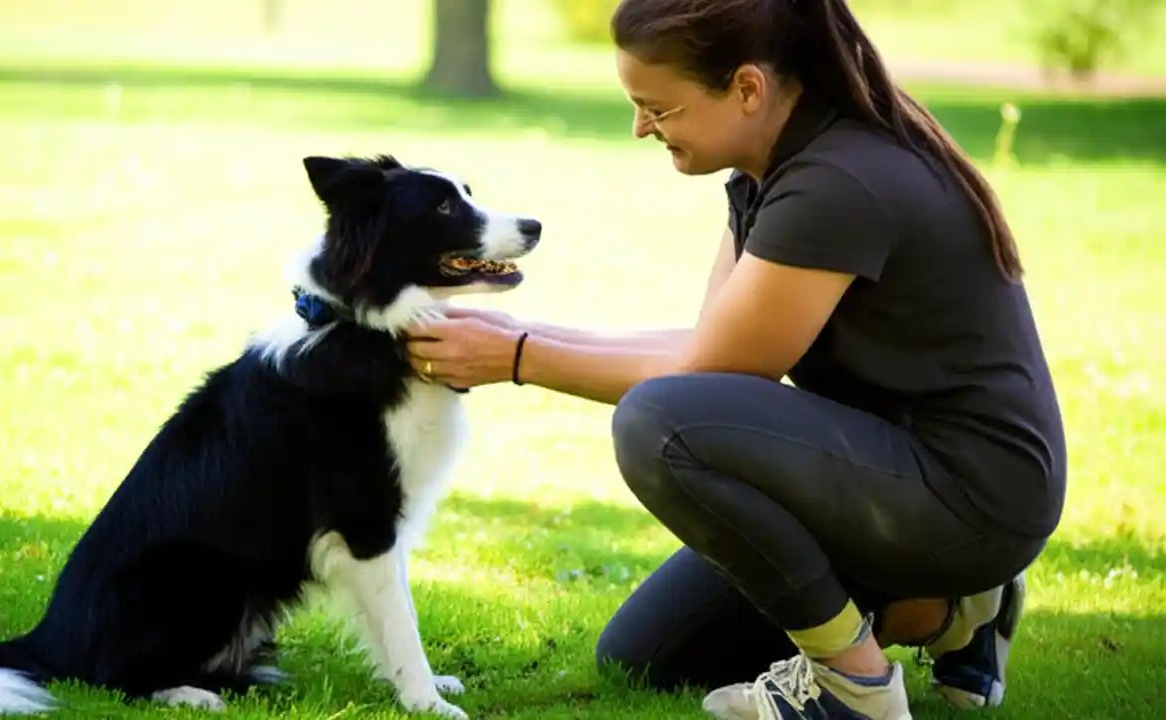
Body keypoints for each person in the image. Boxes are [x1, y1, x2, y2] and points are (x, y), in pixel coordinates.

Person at [403, 0, 1065, 717]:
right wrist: (517, 333)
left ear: (748, 88)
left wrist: (519, 356)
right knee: (649, 659)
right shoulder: (770, 166)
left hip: (971, 494)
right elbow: (709, 348)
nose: (640, 128)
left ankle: (853, 686)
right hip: (880, 470)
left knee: (658, 423)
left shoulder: (840, 180)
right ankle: (953, 612)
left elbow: (708, 378)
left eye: (658, 108)